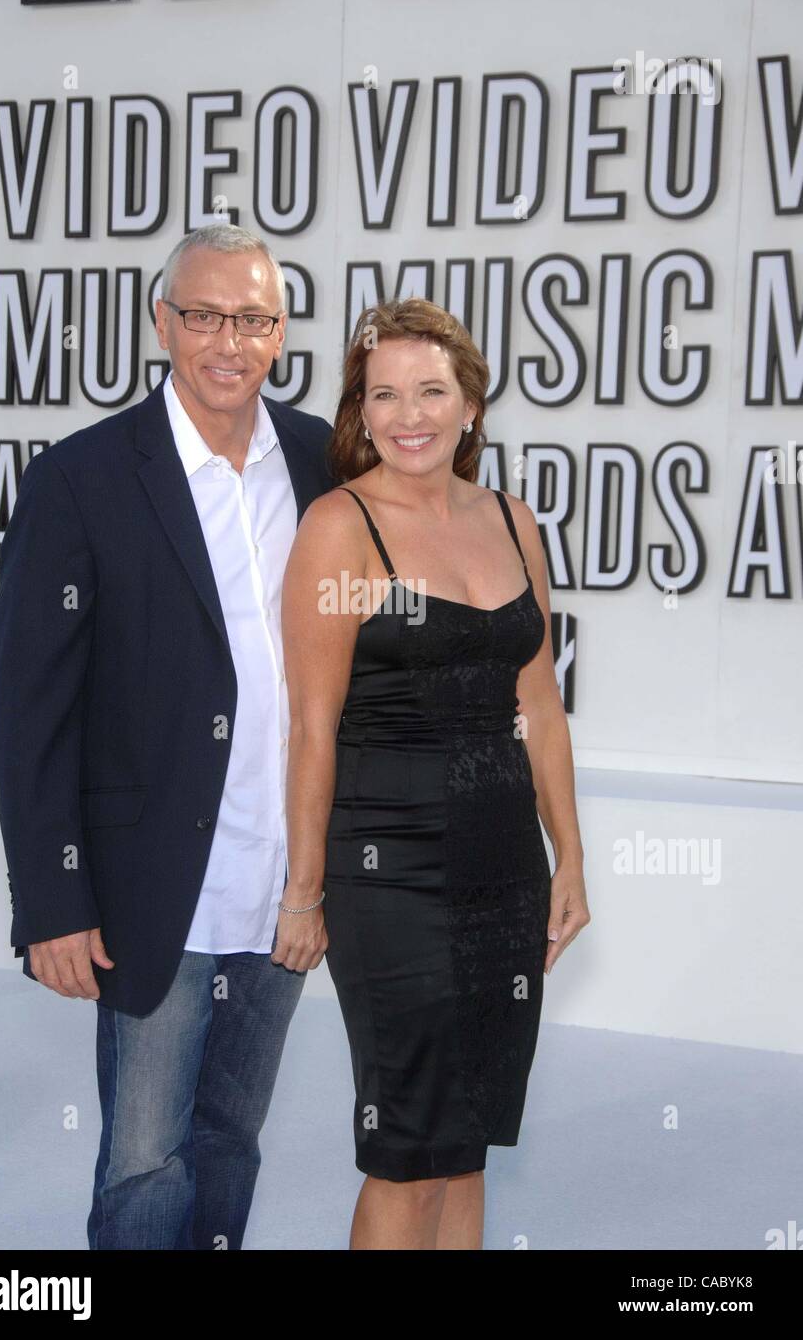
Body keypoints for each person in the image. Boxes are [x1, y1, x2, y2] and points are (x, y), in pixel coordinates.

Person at [0, 223, 334, 1250]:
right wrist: (51, 900)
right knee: (144, 1162)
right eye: (202, 316)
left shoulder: (321, 462)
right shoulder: (81, 478)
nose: (226, 341)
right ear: (161, 323)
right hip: (152, 883)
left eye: (252, 319)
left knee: (231, 1138)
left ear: (278, 334)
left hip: (283, 882)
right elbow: (32, 708)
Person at [280, 297, 589, 1250]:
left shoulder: (513, 520)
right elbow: (311, 727)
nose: (407, 415)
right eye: (383, 395)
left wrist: (568, 857)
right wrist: (301, 895)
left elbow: (538, 705)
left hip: (503, 867)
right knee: (408, 1145)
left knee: (467, 1140)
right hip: (389, 875)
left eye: (429, 391)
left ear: (470, 407)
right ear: (358, 411)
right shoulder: (340, 527)